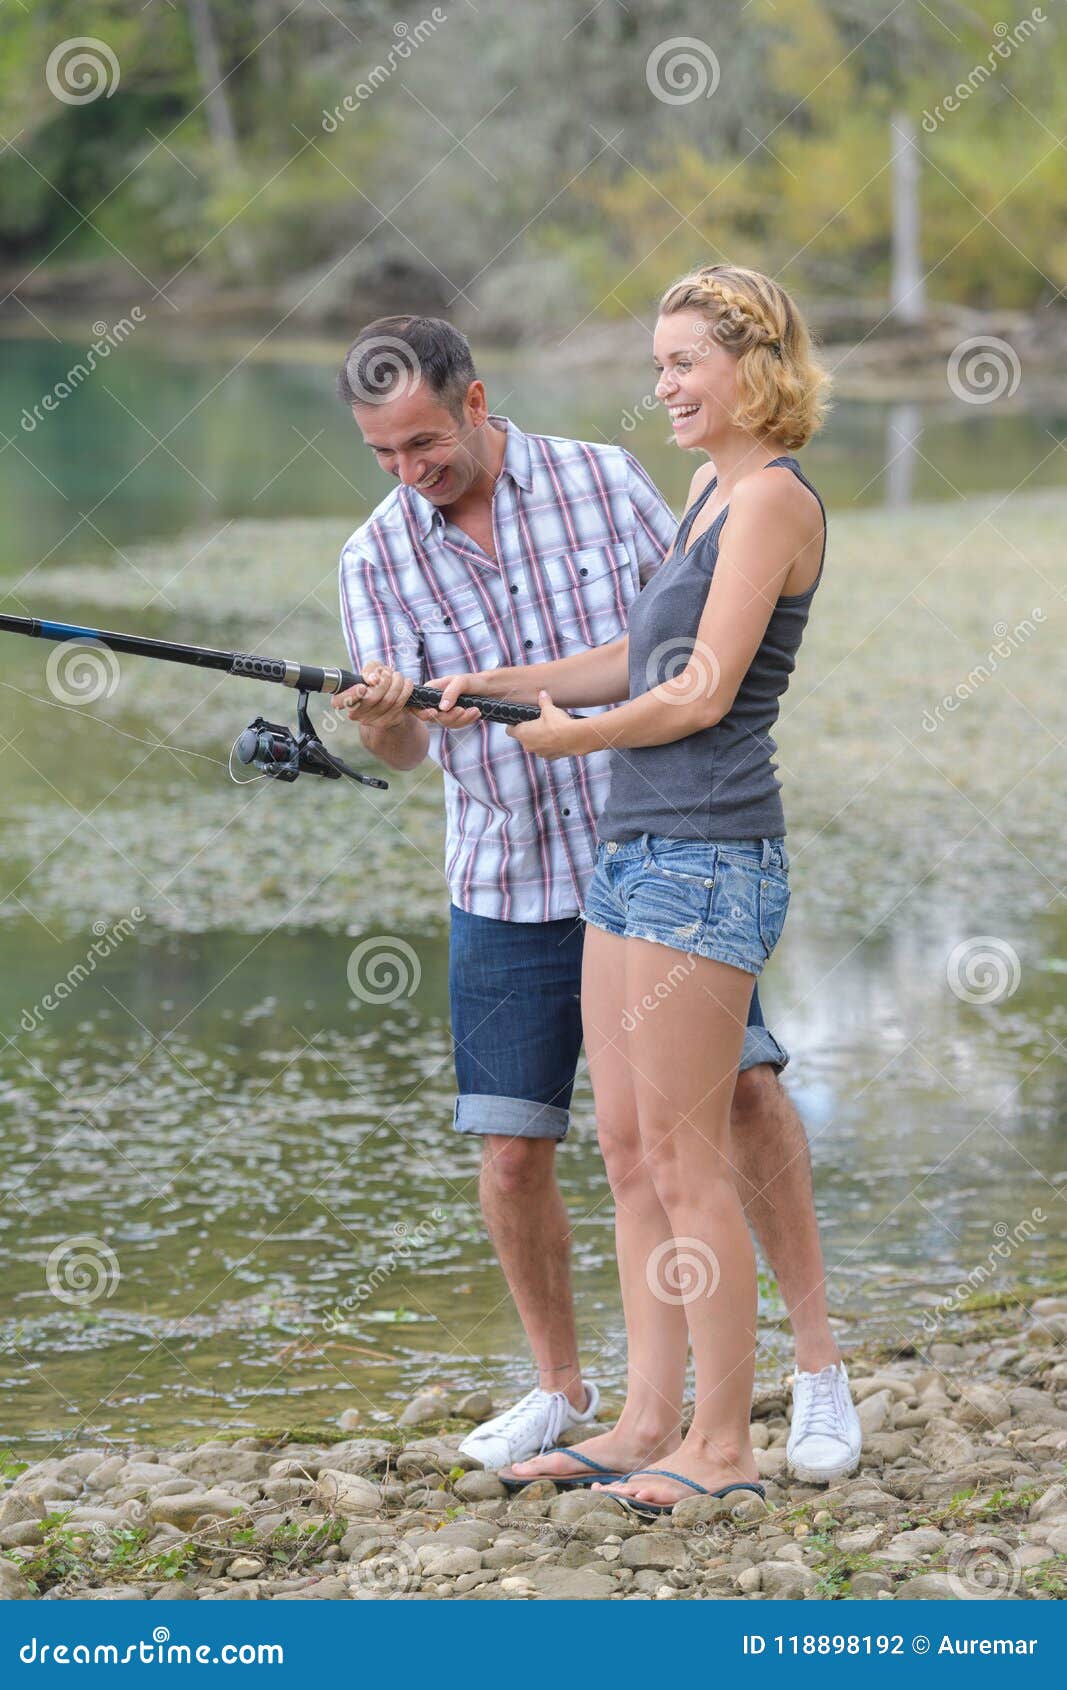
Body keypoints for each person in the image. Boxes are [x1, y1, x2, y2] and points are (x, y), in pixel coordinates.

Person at [333, 305, 860, 1485]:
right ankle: (635, 1419)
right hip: (579, 862)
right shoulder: (702, 493)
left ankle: (735, 1431)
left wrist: (575, 740)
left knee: (710, 1133)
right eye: (658, 364)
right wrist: (461, 695)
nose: (663, 385)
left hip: (693, 845)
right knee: (627, 1153)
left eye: (683, 364)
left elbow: (694, 694)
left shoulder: (735, 491)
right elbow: (635, 656)